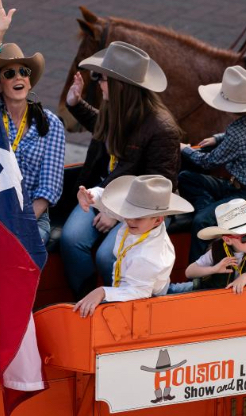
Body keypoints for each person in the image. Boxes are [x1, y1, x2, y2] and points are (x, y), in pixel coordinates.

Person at [61, 40, 181, 297]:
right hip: (106, 191)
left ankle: (117, 305)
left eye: (101, 78)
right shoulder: (115, 107)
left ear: (119, 86)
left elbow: (161, 185)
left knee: (109, 256)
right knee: (71, 239)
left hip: (143, 205)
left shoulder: (162, 128)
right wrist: (76, 104)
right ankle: (84, 298)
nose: (98, 82)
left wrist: (117, 214)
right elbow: (102, 129)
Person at [0, 0, 65, 244]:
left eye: (24, 71)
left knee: (16, 249)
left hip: (30, 217)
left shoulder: (50, 124)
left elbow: (47, 191)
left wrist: (18, 223)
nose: (19, 77)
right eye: (9, 73)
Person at [179, 66, 246, 262]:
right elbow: (235, 135)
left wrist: (185, 149)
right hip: (241, 189)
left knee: (201, 222)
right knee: (187, 179)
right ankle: (211, 209)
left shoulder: (237, 134)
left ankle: (198, 275)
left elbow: (207, 162)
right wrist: (217, 139)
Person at [73, 175, 193, 318]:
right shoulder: (142, 221)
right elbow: (109, 203)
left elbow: (139, 292)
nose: (129, 219)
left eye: (137, 216)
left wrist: (103, 292)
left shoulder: (148, 257)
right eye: (128, 212)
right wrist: (91, 195)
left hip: (148, 297)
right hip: (132, 282)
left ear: (158, 220)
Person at [171, 199, 246, 294]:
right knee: (171, 290)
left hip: (237, 297)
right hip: (208, 291)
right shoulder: (218, 249)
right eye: (244, 238)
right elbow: (189, 272)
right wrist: (214, 269)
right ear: (227, 240)